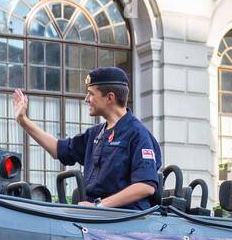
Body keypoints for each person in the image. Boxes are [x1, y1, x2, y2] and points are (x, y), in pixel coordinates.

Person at [12, 67, 162, 209]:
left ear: (110, 97)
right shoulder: (96, 134)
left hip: (125, 224)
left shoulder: (138, 135)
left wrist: (99, 206)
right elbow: (58, 149)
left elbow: (145, 186)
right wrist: (23, 121)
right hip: (94, 219)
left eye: (91, 94)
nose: (86, 99)